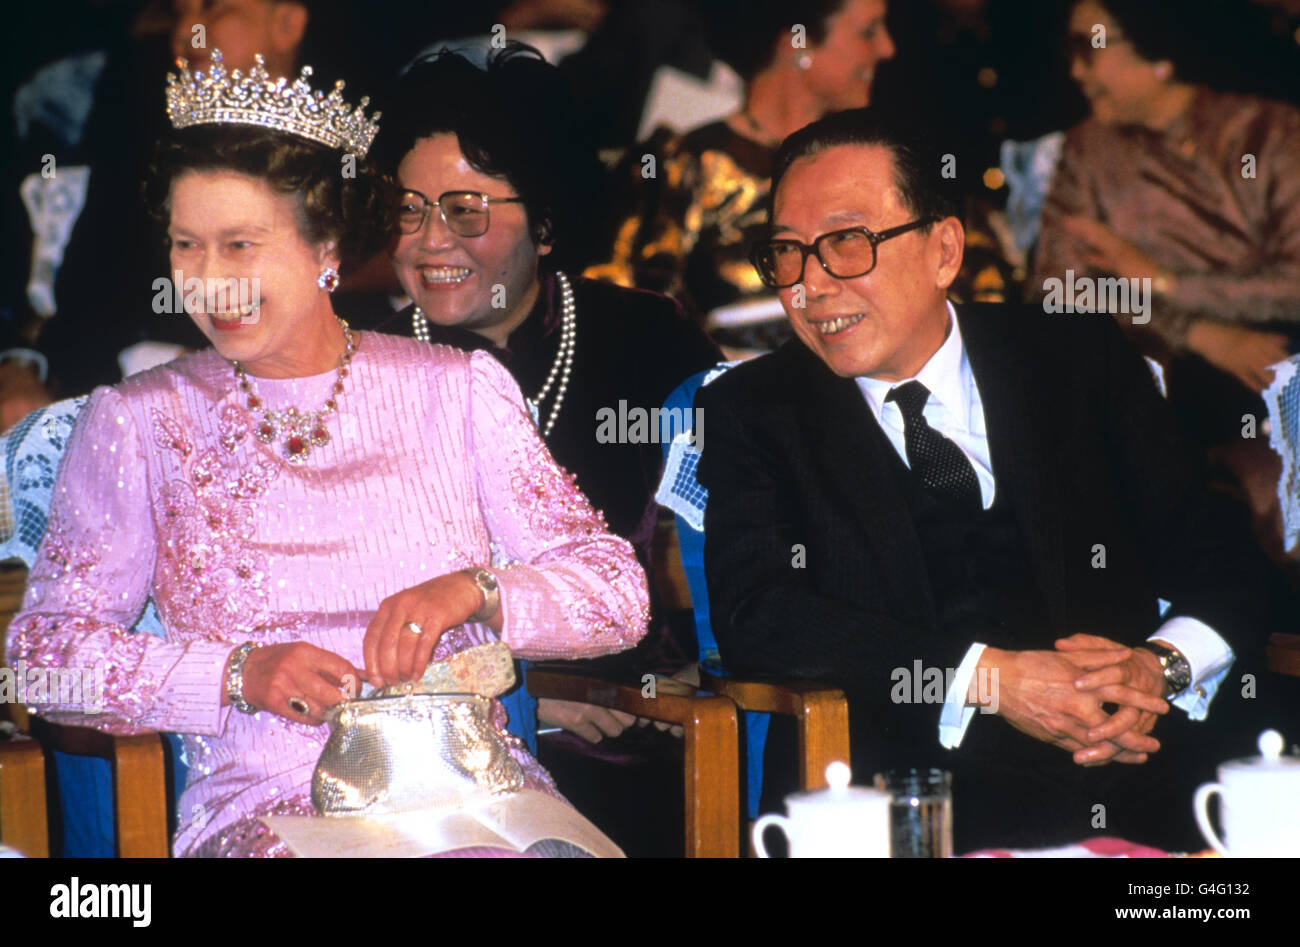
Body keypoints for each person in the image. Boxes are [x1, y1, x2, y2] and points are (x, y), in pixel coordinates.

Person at [5, 50, 648, 858]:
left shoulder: (456, 389)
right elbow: (41, 662)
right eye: (186, 245)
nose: (208, 281)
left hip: (480, 800)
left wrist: (475, 591)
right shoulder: (139, 420)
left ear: (327, 248)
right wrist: (236, 672)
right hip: (269, 815)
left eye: (240, 244)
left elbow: (617, 592)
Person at [696, 107, 1296, 852]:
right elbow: (759, 613)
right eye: (785, 253)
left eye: (845, 243)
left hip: (1144, 774)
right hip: (918, 799)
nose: (809, 286)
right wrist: (989, 678)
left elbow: (1224, 560)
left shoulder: (1076, 359)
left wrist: (1156, 669)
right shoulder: (754, 409)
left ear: (944, 248)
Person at [374, 44, 720, 751]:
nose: (430, 241)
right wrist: (531, 701)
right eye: (408, 210)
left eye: (465, 211)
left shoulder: (647, 339)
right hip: (423, 745)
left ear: (547, 216)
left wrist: (681, 684)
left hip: (637, 729)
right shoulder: (363, 367)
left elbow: (749, 543)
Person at [1030, 0, 1300, 450]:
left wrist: (1167, 282)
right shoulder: (1088, 152)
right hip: (1160, 400)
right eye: (1069, 50)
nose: (1077, 71)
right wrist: (1197, 332)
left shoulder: (1269, 134)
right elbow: (1057, 291)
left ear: (1157, 52)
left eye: (1089, 47)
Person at [588, 0, 896, 353]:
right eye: (868, 32)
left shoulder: (873, 169)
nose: (887, 48)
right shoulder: (683, 167)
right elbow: (622, 318)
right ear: (797, 44)